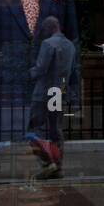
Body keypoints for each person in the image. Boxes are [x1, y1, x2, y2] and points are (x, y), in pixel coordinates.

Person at [28, 16, 75, 177]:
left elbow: (41, 68)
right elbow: (71, 72)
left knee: (35, 129)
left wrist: (28, 73)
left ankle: (47, 163)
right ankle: (58, 165)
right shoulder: (70, 46)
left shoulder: (47, 44)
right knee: (56, 130)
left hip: (43, 93)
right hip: (60, 92)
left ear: (49, 28)